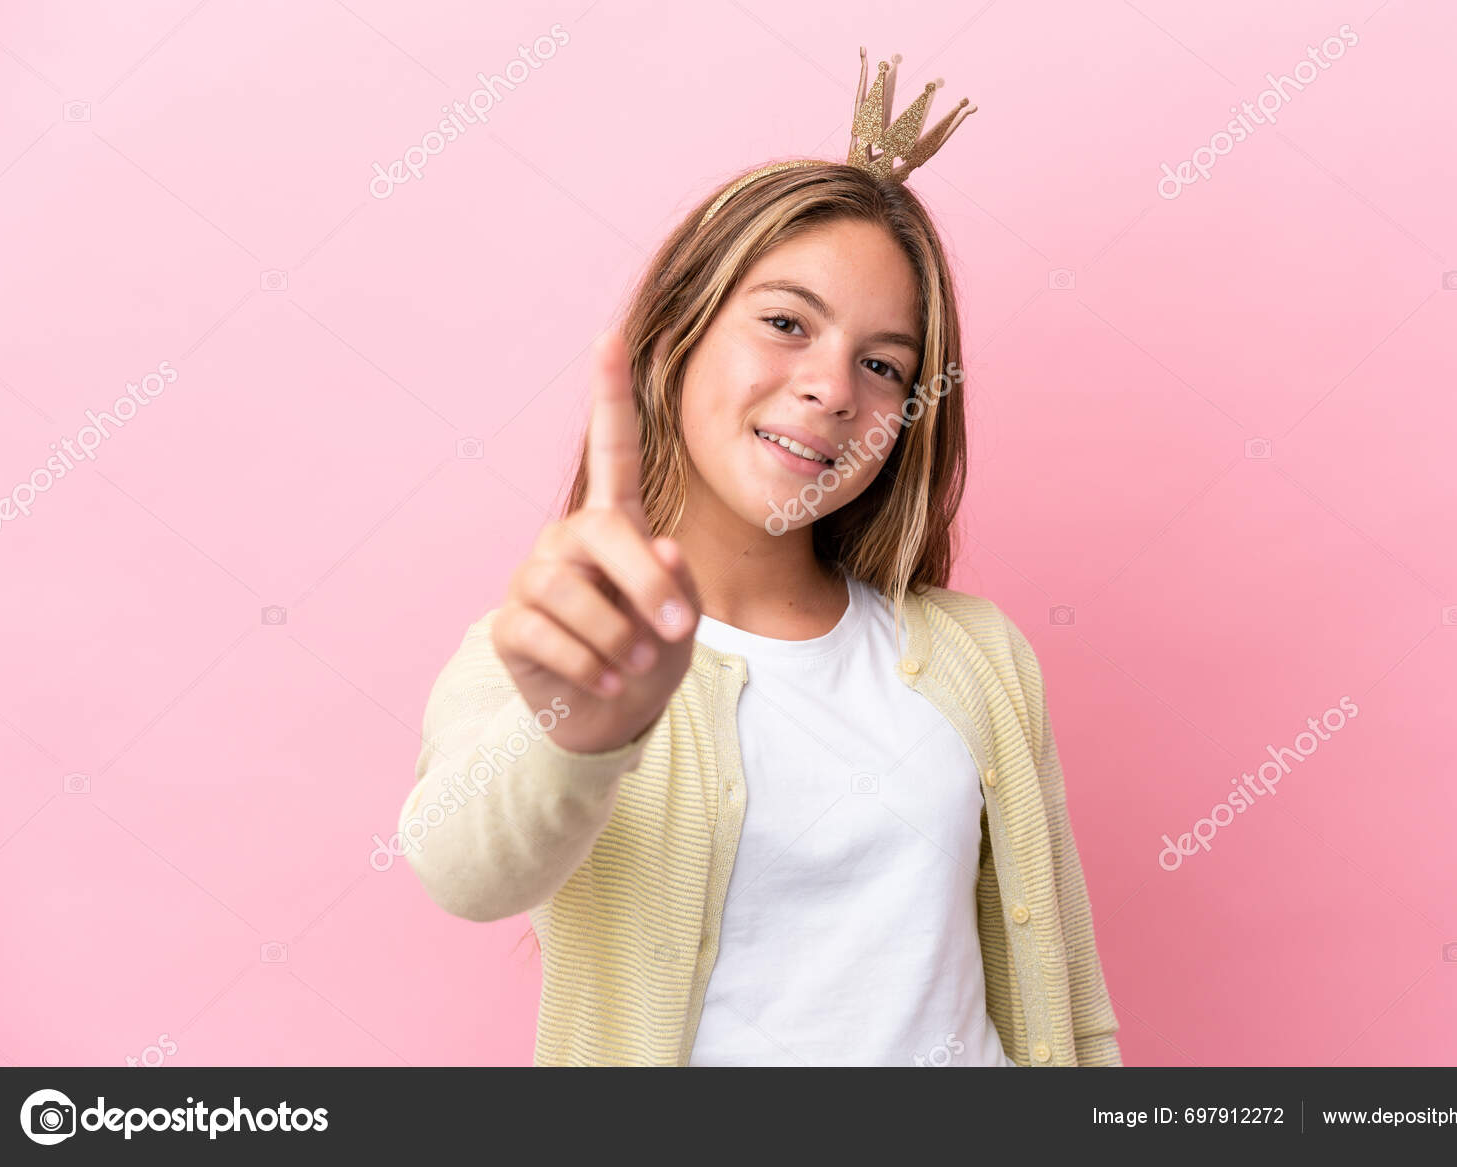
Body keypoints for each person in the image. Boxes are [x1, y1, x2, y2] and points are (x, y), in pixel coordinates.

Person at [396, 49, 1121, 1068]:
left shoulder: (978, 657)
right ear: (676, 337)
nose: (832, 389)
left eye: (883, 365)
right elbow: (460, 871)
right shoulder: (559, 649)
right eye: (785, 323)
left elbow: (1070, 1008)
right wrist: (583, 734)